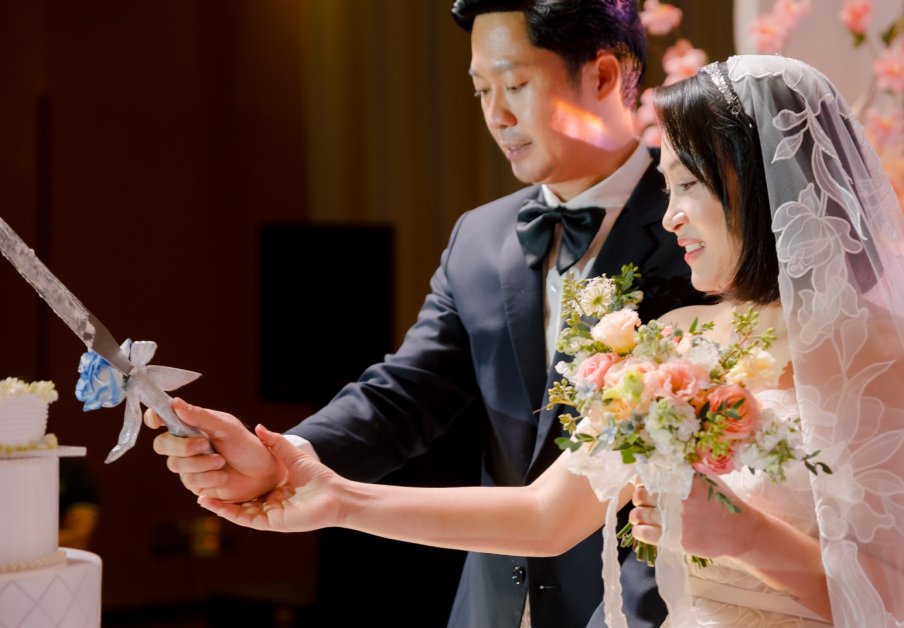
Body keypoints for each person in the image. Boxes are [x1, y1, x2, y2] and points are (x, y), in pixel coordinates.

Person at [185, 55, 904, 627]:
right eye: (667, 187)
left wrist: (746, 538)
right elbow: (544, 514)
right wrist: (339, 499)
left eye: (690, 188)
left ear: (757, 187)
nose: (671, 218)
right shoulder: (675, 341)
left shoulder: (872, 353)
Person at [147, 1, 707, 627]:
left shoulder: (703, 230)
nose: (496, 116)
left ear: (603, 76)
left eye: (516, 85)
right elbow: (408, 392)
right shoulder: (480, 236)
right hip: (492, 605)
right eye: (481, 91)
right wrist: (281, 455)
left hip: (645, 601)